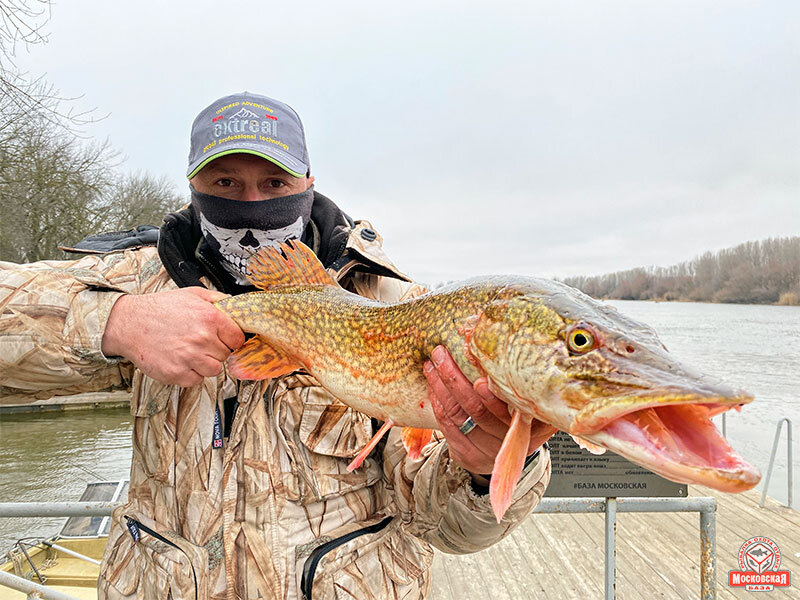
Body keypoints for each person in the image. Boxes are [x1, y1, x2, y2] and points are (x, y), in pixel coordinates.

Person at [0, 92, 555, 600]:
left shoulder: (397, 308)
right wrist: (116, 320)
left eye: (274, 183)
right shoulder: (140, 283)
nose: (251, 203)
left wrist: (485, 470)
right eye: (225, 183)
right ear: (193, 184)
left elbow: (447, 530)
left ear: (307, 181)